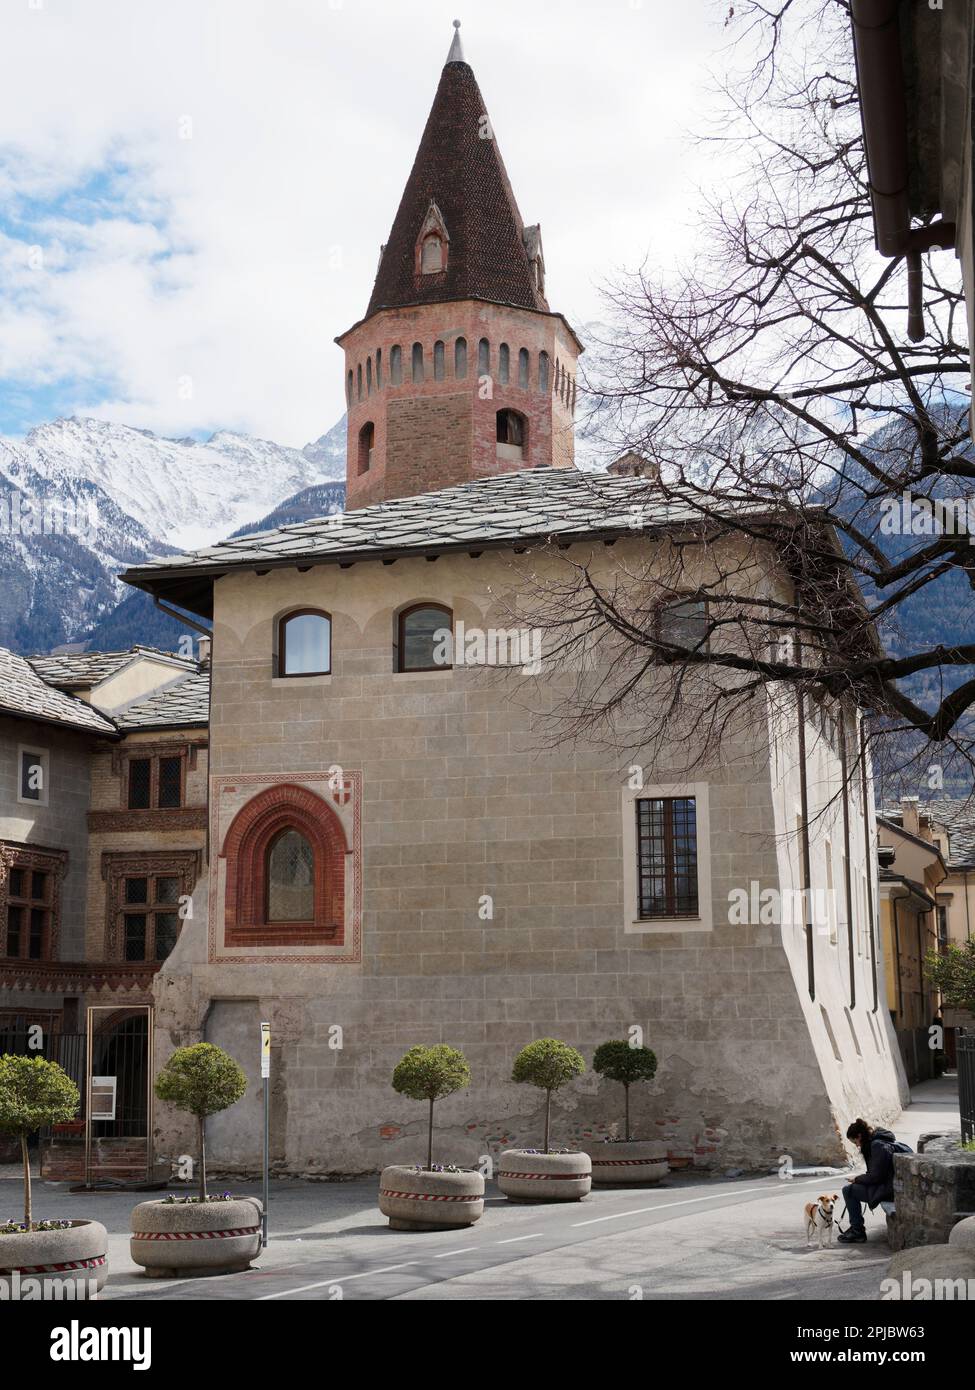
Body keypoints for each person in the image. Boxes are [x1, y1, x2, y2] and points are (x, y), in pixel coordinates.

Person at [837, 1117, 896, 1244]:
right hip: (888, 1184)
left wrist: (857, 1179)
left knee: (848, 1191)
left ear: (859, 1136)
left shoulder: (877, 1146)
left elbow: (876, 1176)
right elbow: (877, 1173)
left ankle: (857, 1231)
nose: (857, 1146)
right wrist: (859, 1179)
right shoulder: (877, 1142)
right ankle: (857, 1229)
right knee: (849, 1189)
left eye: (855, 1142)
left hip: (888, 1188)